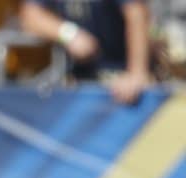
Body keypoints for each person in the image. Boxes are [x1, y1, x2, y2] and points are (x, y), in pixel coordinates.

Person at [21, 0, 153, 103]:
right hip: (77, 81)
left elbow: (137, 15)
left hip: (119, 78)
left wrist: (136, 72)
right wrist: (69, 34)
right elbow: (31, 16)